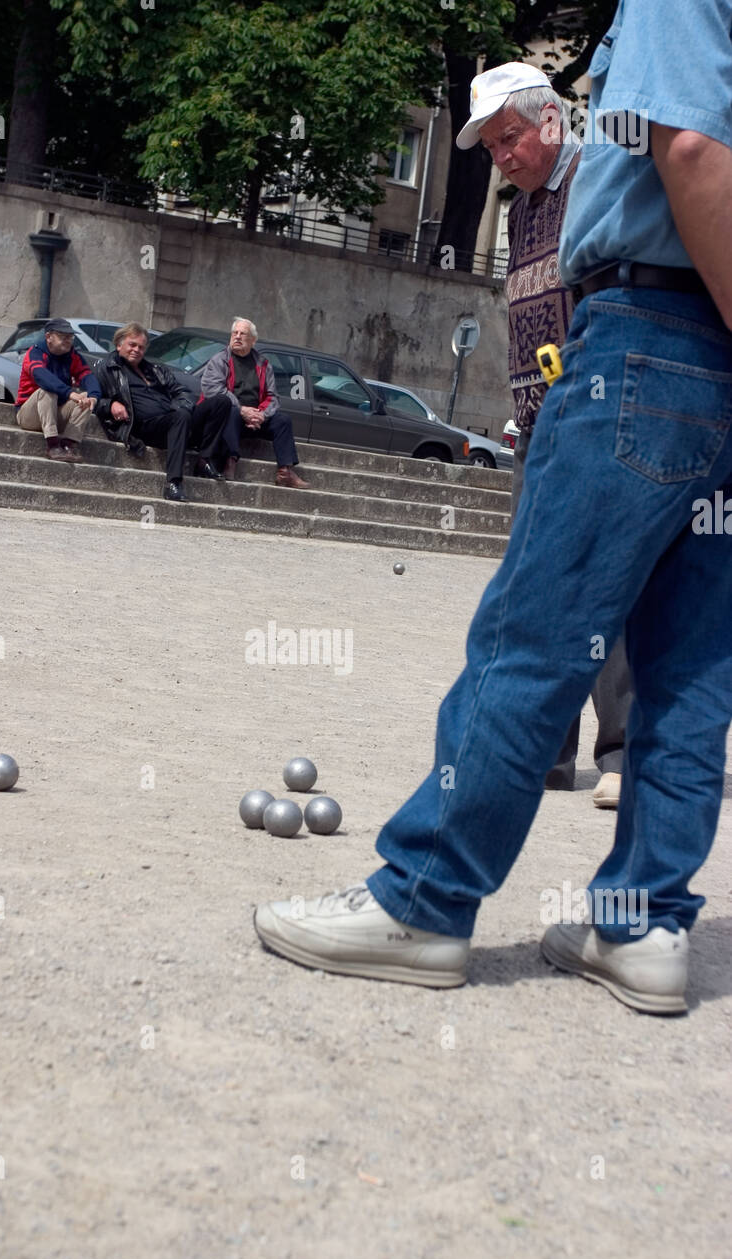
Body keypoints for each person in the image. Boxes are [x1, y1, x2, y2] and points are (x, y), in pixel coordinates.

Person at [254, 0, 732, 1016]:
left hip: (650, 329)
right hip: (713, 358)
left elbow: (686, 148)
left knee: (536, 630)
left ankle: (425, 901)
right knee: (690, 662)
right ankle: (643, 923)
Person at [461, 61, 631, 809]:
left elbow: (613, 302)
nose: (503, 155)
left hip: (594, 416)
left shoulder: (595, 181)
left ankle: (624, 753)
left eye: (511, 137)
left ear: (552, 121)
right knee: (535, 590)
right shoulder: (523, 205)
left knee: (605, 587)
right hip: (537, 425)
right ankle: (548, 755)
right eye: (493, 146)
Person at [94, 323, 231, 502]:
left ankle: (204, 460)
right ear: (119, 345)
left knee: (222, 401)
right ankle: (173, 483)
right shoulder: (107, 368)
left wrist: (182, 407)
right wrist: (111, 404)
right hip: (146, 428)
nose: (136, 350)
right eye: (132, 345)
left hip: (176, 420)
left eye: (141, 347)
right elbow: (93, 399)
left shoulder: (155, 370)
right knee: (179, 417)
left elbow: (182, 392)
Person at [200, 317, 310, 488]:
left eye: (242, 334)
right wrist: (242, 409)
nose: (237, 337)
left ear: (253, 340)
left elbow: (272, 396)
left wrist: (260, 415)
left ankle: (285, 472)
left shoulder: (263, 364)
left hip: (255, 420)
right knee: (231, 410)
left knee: (283, 421)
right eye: (234, 333)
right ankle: (230, 461)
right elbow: (213, 390)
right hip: (230, 417)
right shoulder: (219, 360)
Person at [15, 317, 100, 460]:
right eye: (63, 336)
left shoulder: (72, 355)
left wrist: (94, 396)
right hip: (29, 415)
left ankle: (69, 444)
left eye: (70, 337)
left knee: (86, 397)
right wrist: (70, 393)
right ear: (48, 337)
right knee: (47, 391)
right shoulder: (35, 353)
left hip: (54, 414)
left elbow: (86, 375)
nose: (68, 340)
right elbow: (42, 376)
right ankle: (53, 446)